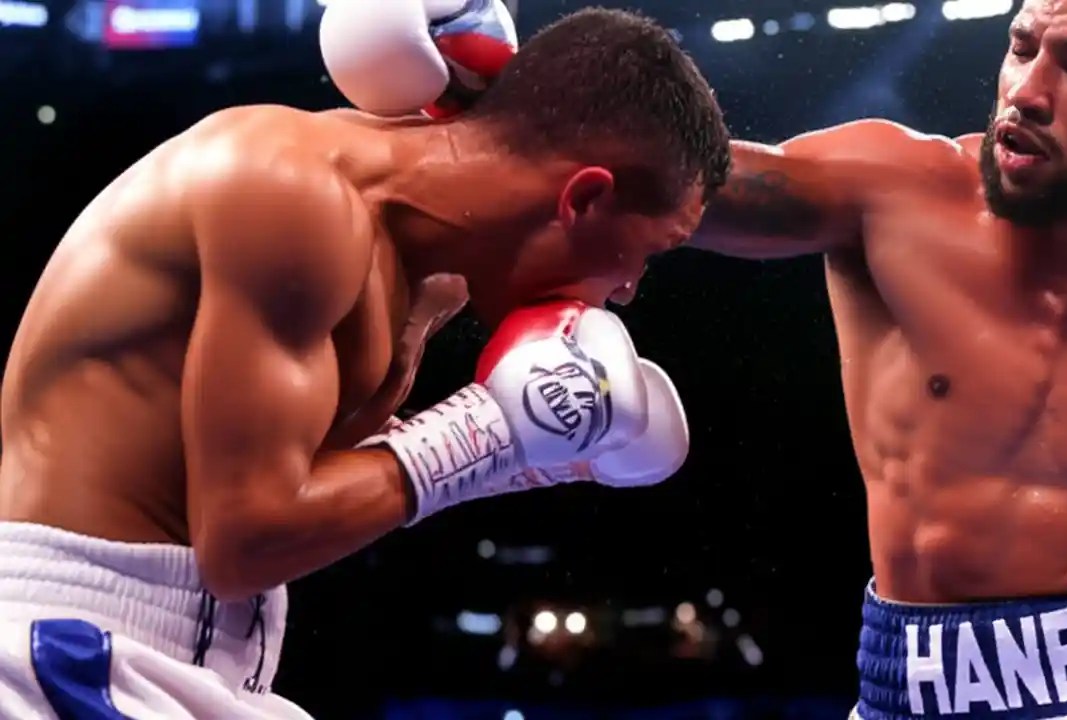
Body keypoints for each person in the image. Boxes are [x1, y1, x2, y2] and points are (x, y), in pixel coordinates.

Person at [0, 4, 729, 717]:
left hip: (196, 659)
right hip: (68, 646)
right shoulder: (294, 195)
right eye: (649, 253)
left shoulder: (429, 266)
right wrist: (493, 433)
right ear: (585, 197)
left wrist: (522, 453)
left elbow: (308, 489)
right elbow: (244, 543)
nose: (629, 291)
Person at [693, 0, 1067, 717]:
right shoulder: (891, 193)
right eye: (1022, 47)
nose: (1027, 91)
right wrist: (517, 101)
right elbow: (677, 187)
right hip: (901, 691)